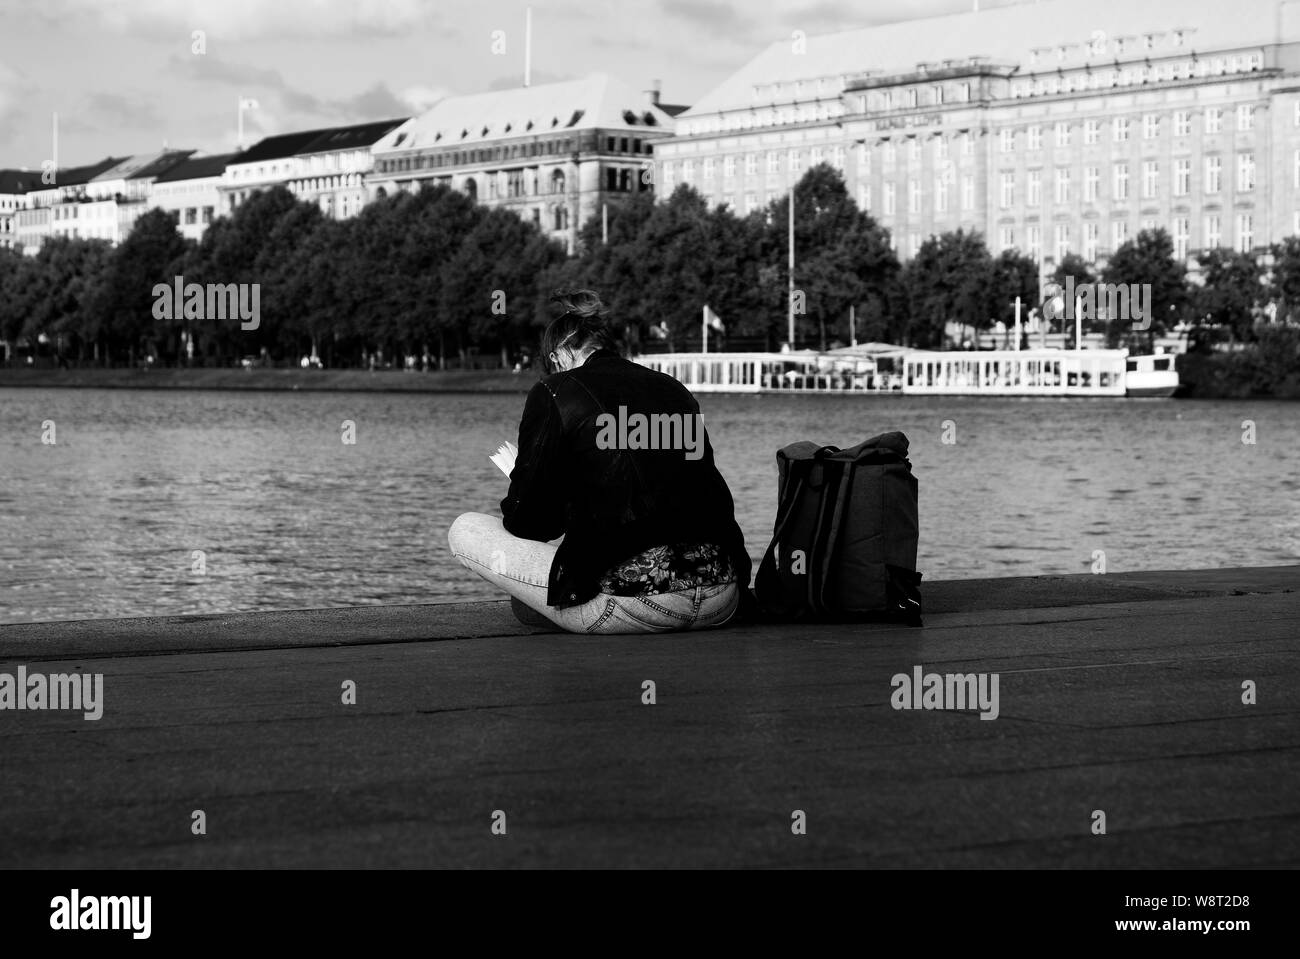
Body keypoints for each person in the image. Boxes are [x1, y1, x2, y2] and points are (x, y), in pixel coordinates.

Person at [448, 289, 751, 634]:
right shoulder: (673, 389)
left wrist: (529, 482)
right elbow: (711, 495)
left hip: (637, 604)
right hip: (721, 598)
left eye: (551, 366)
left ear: (559, 355)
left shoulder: (555, 391)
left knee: (465, 529)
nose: (552, 372)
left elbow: (529, 525)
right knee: (536, 604)